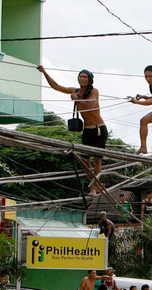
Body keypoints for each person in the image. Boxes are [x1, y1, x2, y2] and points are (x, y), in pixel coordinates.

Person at [37, 66, 106, 197]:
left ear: (90, 79)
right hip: (87, 130)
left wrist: (77, 98)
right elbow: (56, 86)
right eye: (80, 76)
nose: (82, 78)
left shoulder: (94, 91)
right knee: (85, 161)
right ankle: (95, 183)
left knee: (97, 161)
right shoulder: (76, 91)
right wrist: (44, 72)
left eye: (85, 77)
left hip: (99, 129)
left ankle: (93, 188)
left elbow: (90, 105)